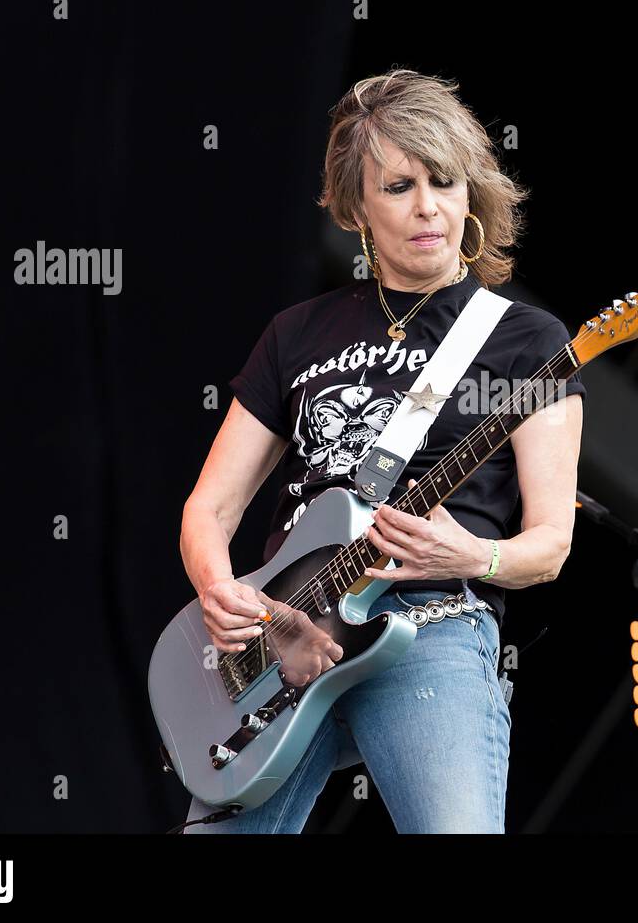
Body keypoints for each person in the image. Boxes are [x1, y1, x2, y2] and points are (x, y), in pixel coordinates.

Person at [179, 68, 585, 833]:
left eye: (445, 181)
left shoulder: (525, 340)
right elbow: (211, 506)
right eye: (398, 186)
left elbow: (551, 545)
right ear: (356, 206)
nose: (428, 207)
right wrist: (219, 592)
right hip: (282, 639)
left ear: (474, 195)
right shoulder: (296, 332)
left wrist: (470, 557)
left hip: (429, 629)